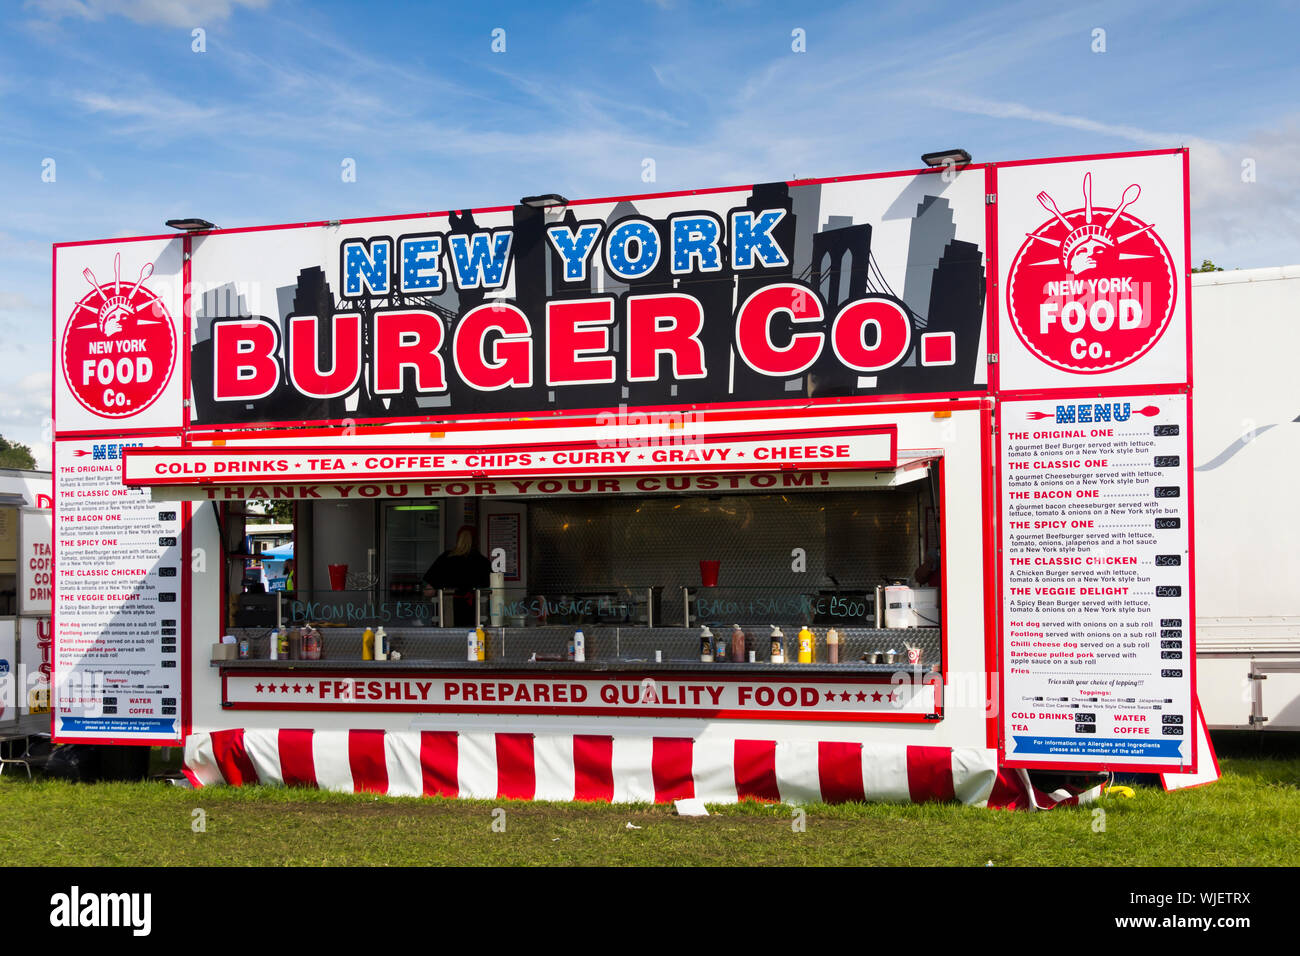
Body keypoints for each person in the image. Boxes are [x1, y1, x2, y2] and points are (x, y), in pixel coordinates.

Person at [422, 527, 492, 627]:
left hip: (447, 616)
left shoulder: (445, 558)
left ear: (458, 540)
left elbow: (428, 591)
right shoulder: (482, 561)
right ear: (476, 541)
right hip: (474, 615)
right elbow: (490, 589)